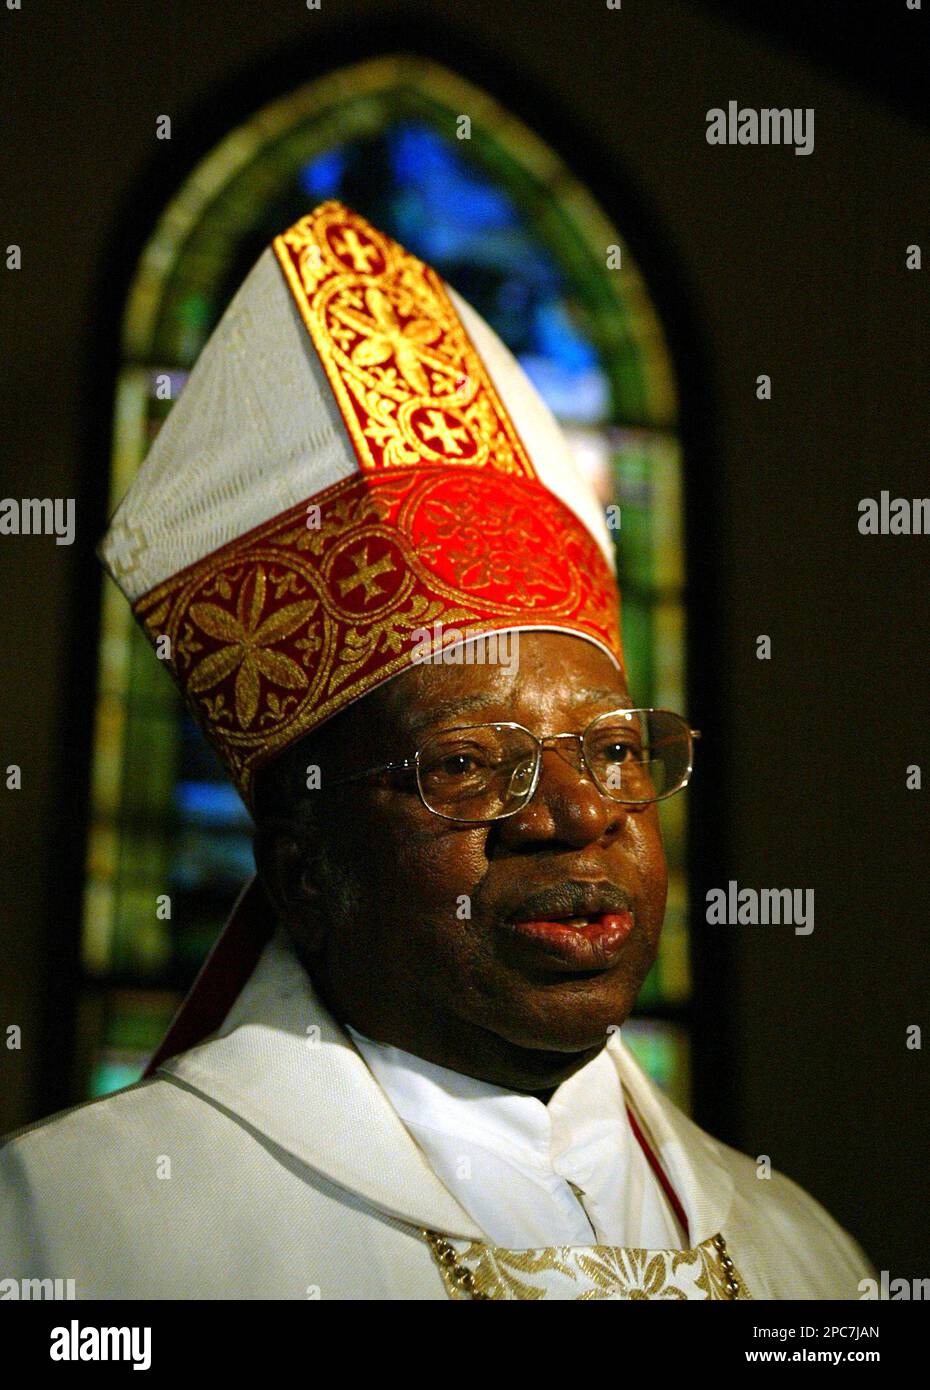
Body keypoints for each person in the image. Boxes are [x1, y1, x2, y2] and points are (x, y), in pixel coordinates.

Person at [0, 203, 875, 1299]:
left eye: (610, 750)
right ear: (303, 874)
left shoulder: (806, 1256)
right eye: (464, 763)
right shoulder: (74, 1237)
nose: (573, 814)